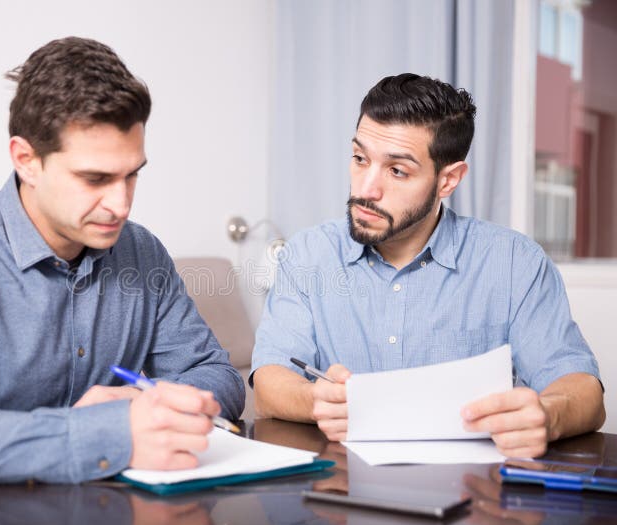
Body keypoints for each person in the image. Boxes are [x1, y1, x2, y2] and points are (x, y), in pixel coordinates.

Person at [0, 37, 245, 488]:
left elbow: (220, 376)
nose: (120, 205)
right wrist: (104, 433)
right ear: (27, 160)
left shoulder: (142, 254)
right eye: (95, 178)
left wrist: (143, 403)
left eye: (132, 174)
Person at [251, 73, 604, 458]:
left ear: (448, 179)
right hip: (340, 491)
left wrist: (548, 414)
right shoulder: (308, 254)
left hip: (473, 496)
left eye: (397, 170)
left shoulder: (514, 263)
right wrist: (314, 399)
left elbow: (583, 390)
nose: (365, 189)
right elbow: (271, 381)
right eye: (359, 158)